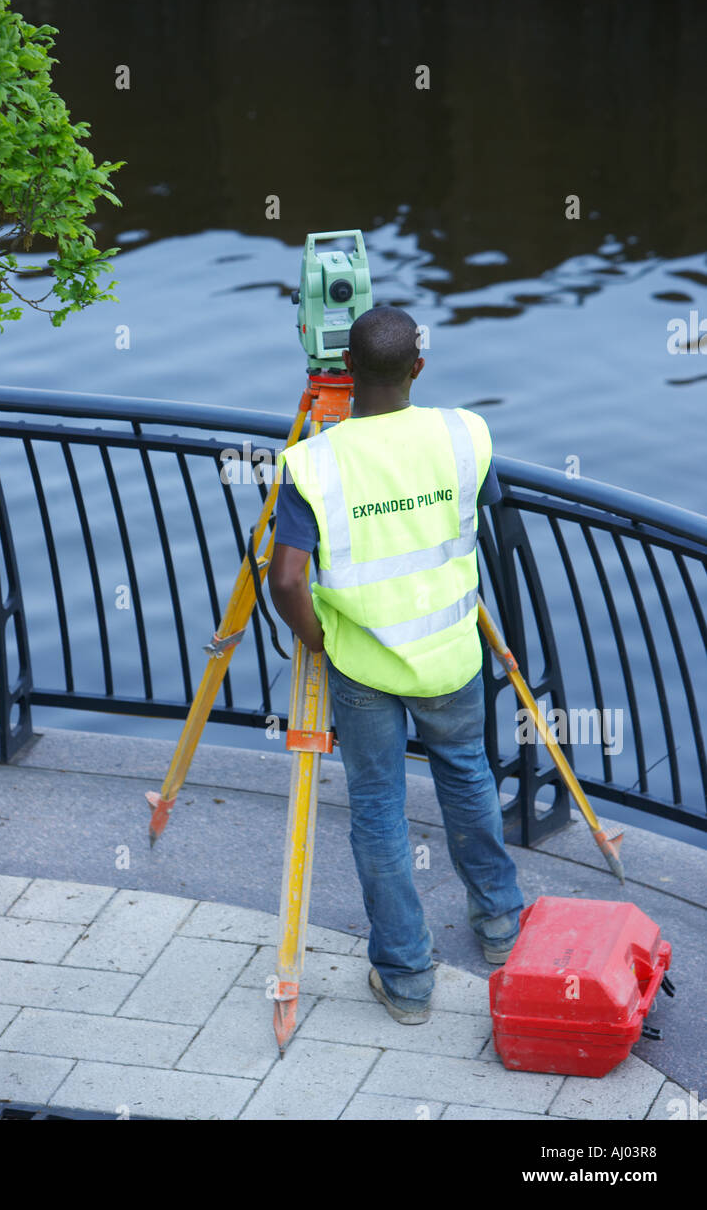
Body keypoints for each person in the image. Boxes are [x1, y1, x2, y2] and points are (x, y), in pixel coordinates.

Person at [269, 306, 524, 1024]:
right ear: (419, 367)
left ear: (344, 371)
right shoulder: (463, 432)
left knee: (379, 810)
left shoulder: (315, 462)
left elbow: (287, 580)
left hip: (365, 667)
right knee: (468, 773)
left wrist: (320, 641)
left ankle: (408, 980)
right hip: (450, 653)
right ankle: (501, 926)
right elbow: (477, 514)